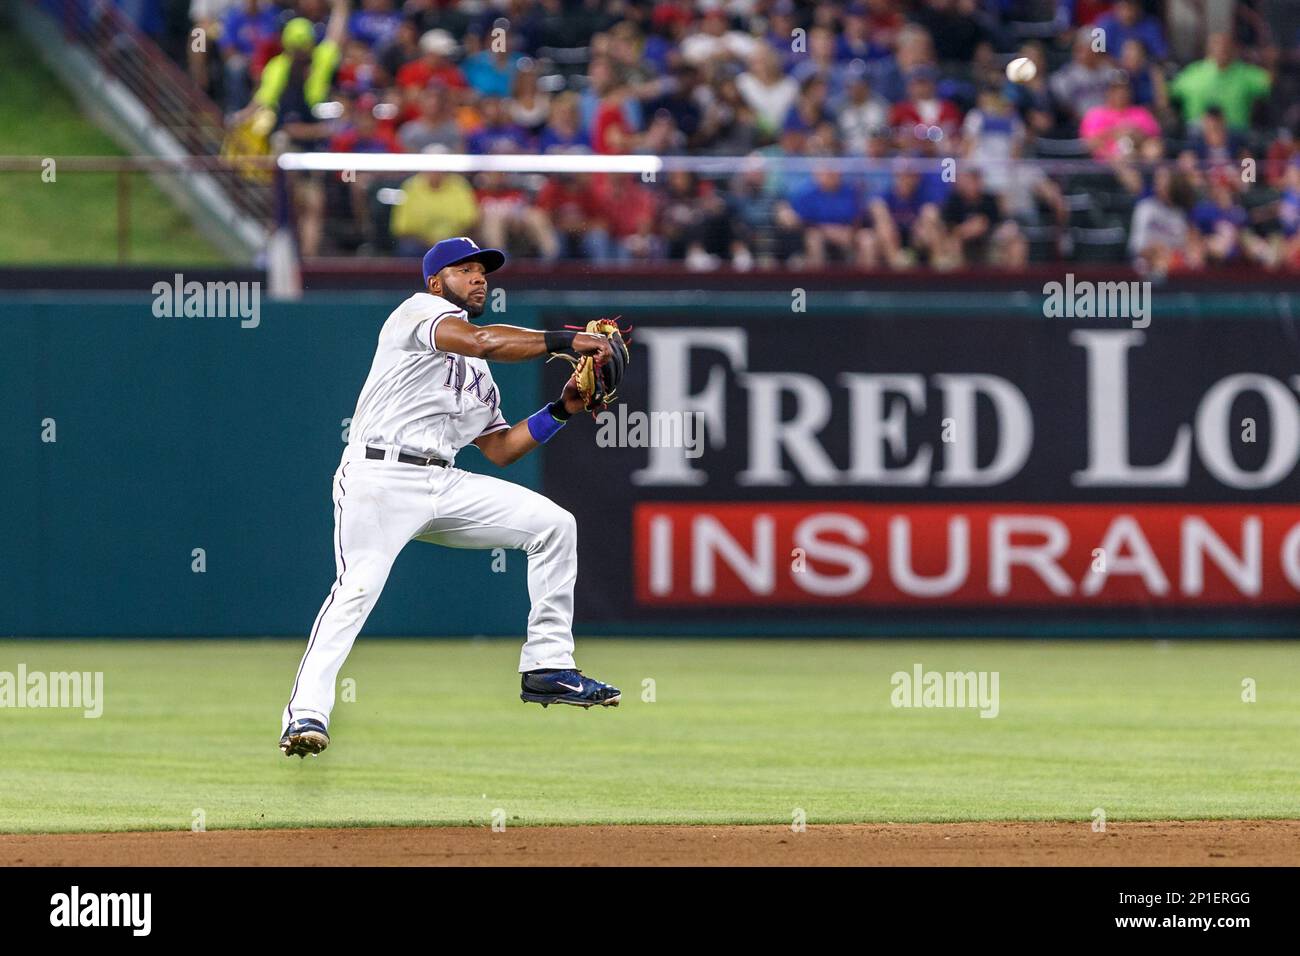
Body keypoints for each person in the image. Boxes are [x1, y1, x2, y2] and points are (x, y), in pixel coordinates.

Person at [280, 237, 624, 758]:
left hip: (443, 481)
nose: (480, 277)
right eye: (465, 270)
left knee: (555, 525)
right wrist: (566, 341)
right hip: (380, 476)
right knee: (357, 589)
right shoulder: (421, 312)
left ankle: (547, 666)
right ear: (437, 281)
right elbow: (484, 339)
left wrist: (563, 409)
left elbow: (502, 448)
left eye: (484, 271)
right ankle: (306, 712)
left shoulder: (479, 374)